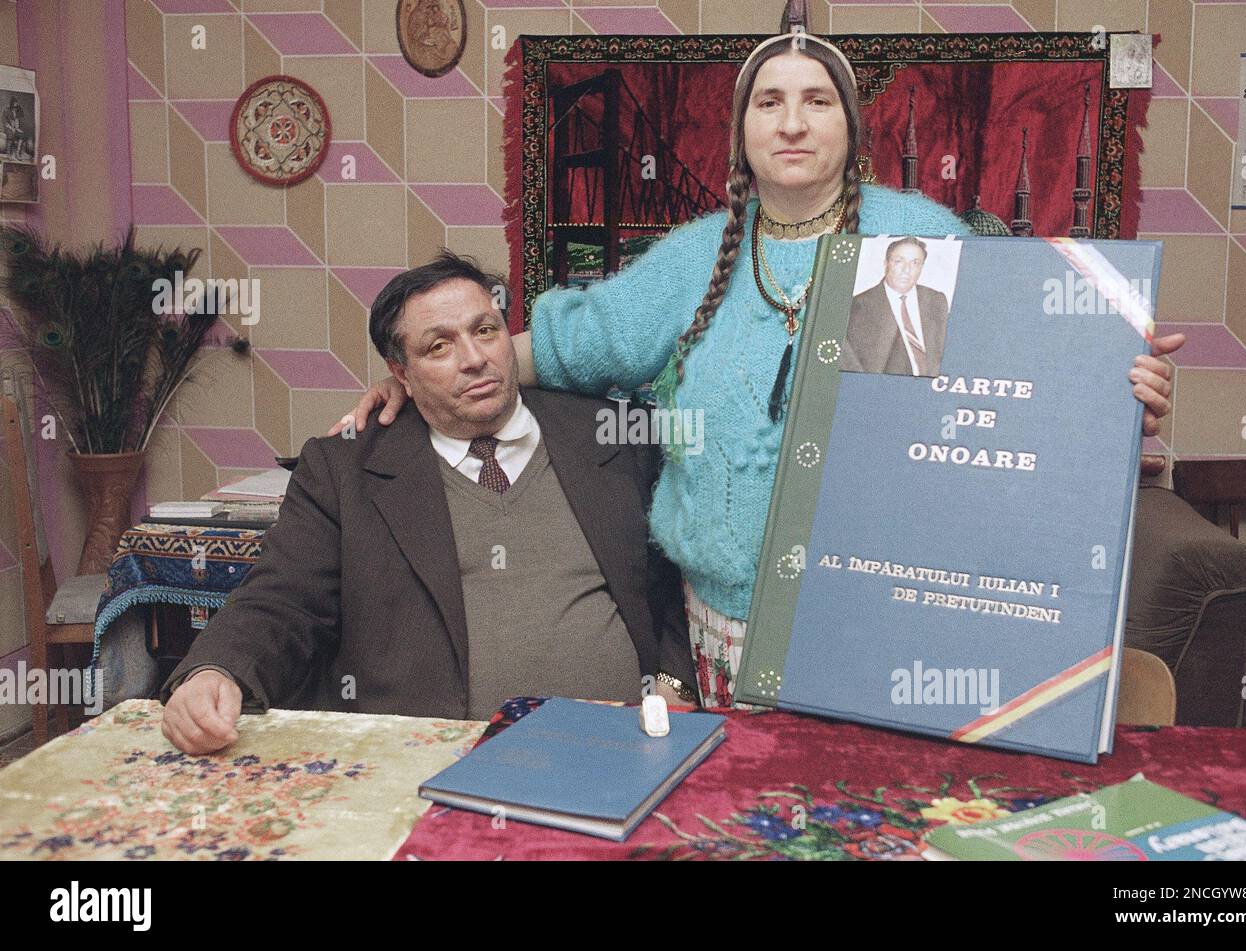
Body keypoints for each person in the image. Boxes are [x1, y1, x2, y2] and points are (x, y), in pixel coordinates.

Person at [332, 30, 1182, 708]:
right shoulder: (693, 257)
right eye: (769, 102)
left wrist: (1120, 399)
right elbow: (563, 343)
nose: (793, 121)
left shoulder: (922, 239)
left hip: (885, 620)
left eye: (817, 101)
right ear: (742, 129)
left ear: (851, 124)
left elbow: (1023, 384)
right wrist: (418, 380)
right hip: (723, 634)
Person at [161, 252, 695, 755]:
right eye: (438, 347)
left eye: (485, 330)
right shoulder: (342, 471)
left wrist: (671, 685)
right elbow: (284, 599)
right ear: (400, 374)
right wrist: (215, 670)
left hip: (615, 747)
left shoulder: (616, 438)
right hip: (426, 757)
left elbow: (679, 584)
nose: (474, 359)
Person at [840, 235, 949, 376]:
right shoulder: (857, 306)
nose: (906, 270)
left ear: (922, 267)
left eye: (915, 263)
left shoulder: (936, 300)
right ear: (886, 264)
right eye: (899, 261)